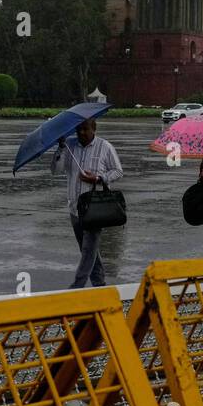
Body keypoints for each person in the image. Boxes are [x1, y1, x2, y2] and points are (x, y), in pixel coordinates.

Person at [51, 118, 123, 288]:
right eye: (79, 130)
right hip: (74, 207)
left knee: (88, 250)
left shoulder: (104, 147)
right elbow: (56, 170)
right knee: (89, 252)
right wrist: (60, 148)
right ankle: (99, 284)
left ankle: (76, 287)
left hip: (94, 209)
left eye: (85, 129)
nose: (81, 133)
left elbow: (118, 171)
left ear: (94, 129)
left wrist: (98, 178)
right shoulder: (69, 145)